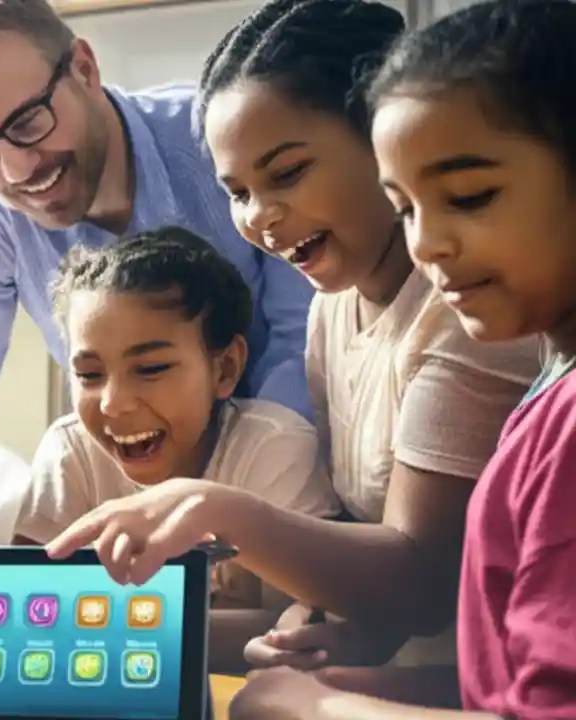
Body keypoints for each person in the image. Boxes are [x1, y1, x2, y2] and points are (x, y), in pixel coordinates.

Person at [46, 0, 541, 687]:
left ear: (383, 139)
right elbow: (354, 533)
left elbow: (423, 578)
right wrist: (312, 622)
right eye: (237, 192)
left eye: (286, 174)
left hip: (479, 684)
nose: (261, 217)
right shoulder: (331, 309)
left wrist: (214, 507)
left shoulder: (471, 314)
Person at [226, 1, 576, 715]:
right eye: (407, 207)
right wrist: (346, 685)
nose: (426, 244)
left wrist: (319, 709)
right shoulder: (548, 397)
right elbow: (507, 683)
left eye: (469, 196)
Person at [0, 0, 315, 449]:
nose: (16, 171)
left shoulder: (221, 139)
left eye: (28, 122)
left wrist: (247, 476)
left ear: (84, 69)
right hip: (134, 465)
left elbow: (305, 347)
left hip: (292, 454)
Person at [14, 228, 338, 671]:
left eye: (150, 369)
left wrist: (105, 629)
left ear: (225, 368)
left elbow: (308, 623)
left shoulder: (273, 447)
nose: (113, 403)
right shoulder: (70, 453)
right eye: (89, 375)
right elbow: (21, 615)